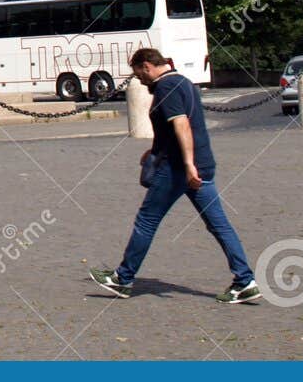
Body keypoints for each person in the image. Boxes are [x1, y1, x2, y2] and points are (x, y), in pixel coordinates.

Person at [88, 47, 259, 303]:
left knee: (147, 220)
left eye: (138, 74)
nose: (139, 80)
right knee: (219, 225)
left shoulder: (166, 88)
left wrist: (188, 165)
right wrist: (155, 150)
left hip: (178, 169)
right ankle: (245, 281)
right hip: (202, 164)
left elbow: (181, 125)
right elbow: (177, 128)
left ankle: (122, 279)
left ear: (147, 66)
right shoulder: (185, 82)